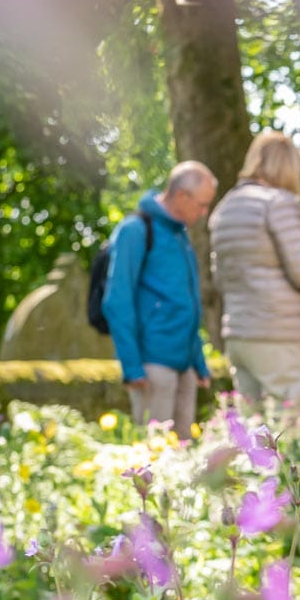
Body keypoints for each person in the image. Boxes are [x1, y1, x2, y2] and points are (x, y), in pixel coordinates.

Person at [208, 130, 300, 410]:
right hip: (280, 336)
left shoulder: (225, 207)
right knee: (289, 430)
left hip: (240, 334)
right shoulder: (278, 203)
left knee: (251, 431)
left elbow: (220, 278)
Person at [102, 160, 217, 438]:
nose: (204, 213)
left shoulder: (180, 237)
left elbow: (187, 305)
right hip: (152, 364)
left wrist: (198, 362)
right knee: (153, 457)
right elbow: (117, 300)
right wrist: (131, 366)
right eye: (201, 205)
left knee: (183, 455)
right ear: (181, 196)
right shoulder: (136, 230)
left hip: (184, 365)